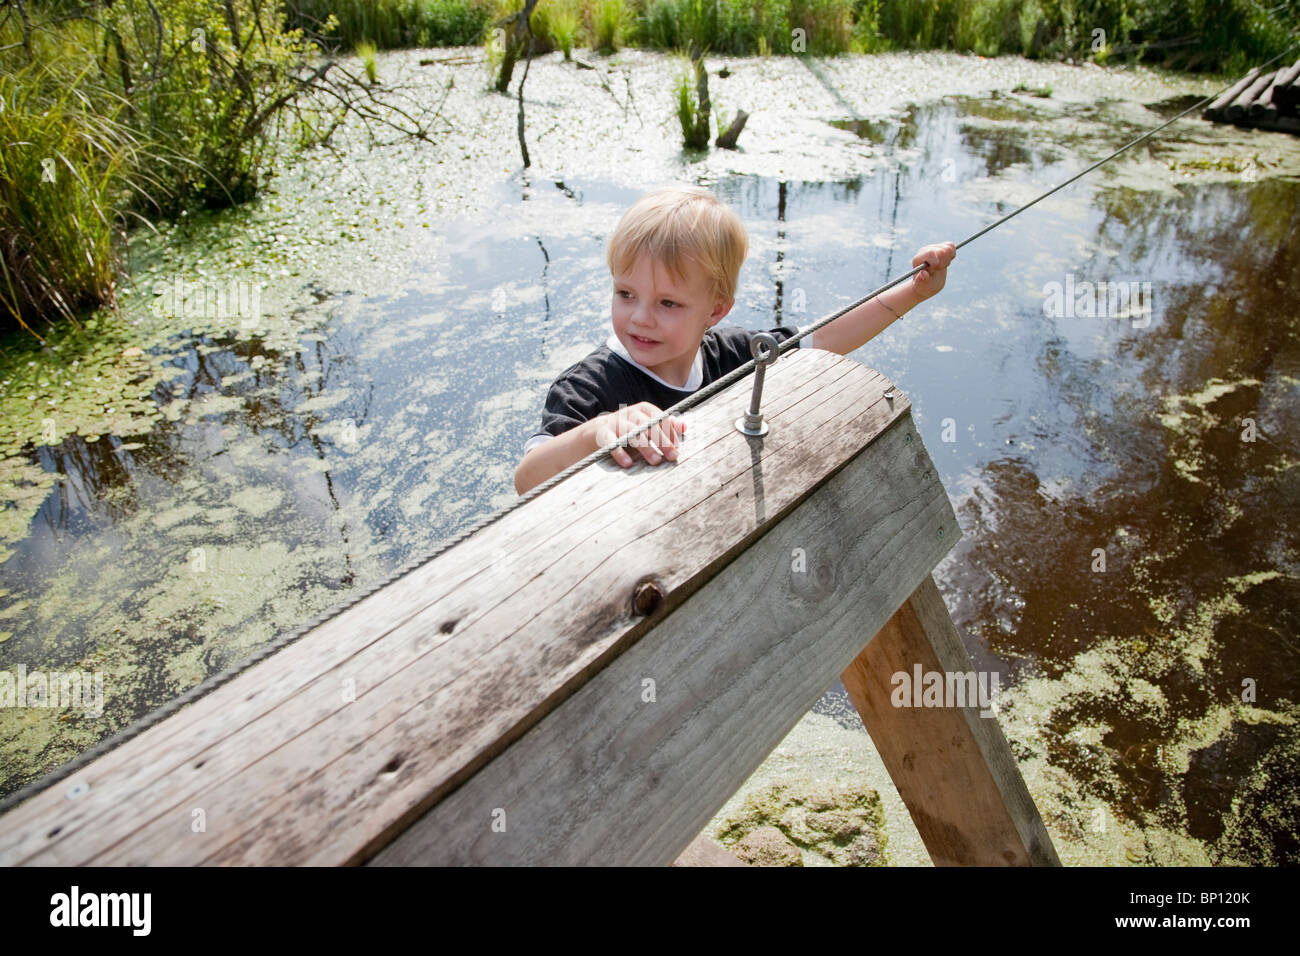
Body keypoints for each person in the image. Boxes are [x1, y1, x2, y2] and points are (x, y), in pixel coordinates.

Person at [514, 185, 955, 495]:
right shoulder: (589, 387)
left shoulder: (731, 355)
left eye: (668, 303)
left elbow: (825, 338)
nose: (640, 318)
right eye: (625, 294)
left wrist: (915, 291)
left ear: (717, 309)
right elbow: (527, 479)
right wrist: (595, 433)